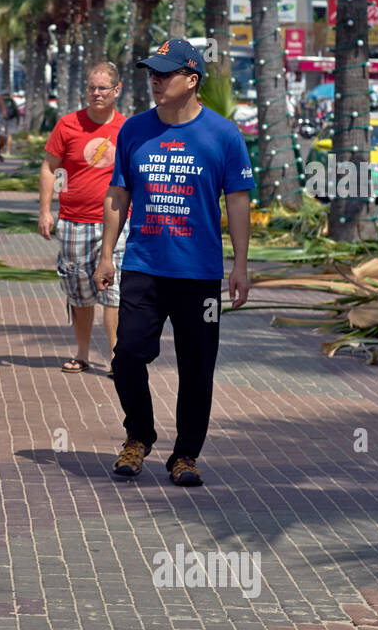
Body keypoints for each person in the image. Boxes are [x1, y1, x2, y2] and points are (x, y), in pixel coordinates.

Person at [93, 38, 252, 488]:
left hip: (199, 274)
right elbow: (118, 194)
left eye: (165, 73)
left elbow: (237, 203)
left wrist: (240, 265)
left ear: (192, 79)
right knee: (126, 357)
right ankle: (138, 435)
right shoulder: (134, 130)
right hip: (143, 265)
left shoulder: (223, 135)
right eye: (152, 73)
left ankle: (185, 455)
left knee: (197, 367)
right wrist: (107, 254)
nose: (156, 80)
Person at [38, 62, 127, 376]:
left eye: (103, 88)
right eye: (92, 88)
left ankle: (118, 357)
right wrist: (47, 210)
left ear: (117, 90)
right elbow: (52, 167)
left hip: (115, 224)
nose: (97, 93)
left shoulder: (127, 128)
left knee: (113, 290)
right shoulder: (68, 125)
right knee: (80, 291)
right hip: (74, 222)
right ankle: (83, 353)